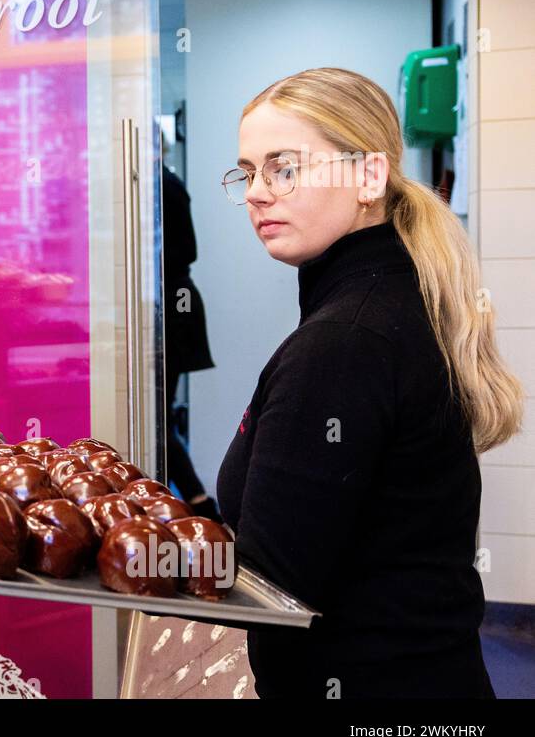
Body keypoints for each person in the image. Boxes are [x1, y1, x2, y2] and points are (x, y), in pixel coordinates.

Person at [216, 67, 524, 699]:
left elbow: (273, 586)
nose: (256, 192)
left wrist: (117, 558)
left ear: (367, 176)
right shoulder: (392, 301)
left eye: (284, 167)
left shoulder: (344, 342)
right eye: (248, 172)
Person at [161, 161, 219, 521]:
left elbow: (183, 250)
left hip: (174, 307)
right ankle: (197, 504)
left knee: (157, 418)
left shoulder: (163, 184)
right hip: (174, 303)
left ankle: (199, 506)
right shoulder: (167, 181)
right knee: (160, 416)